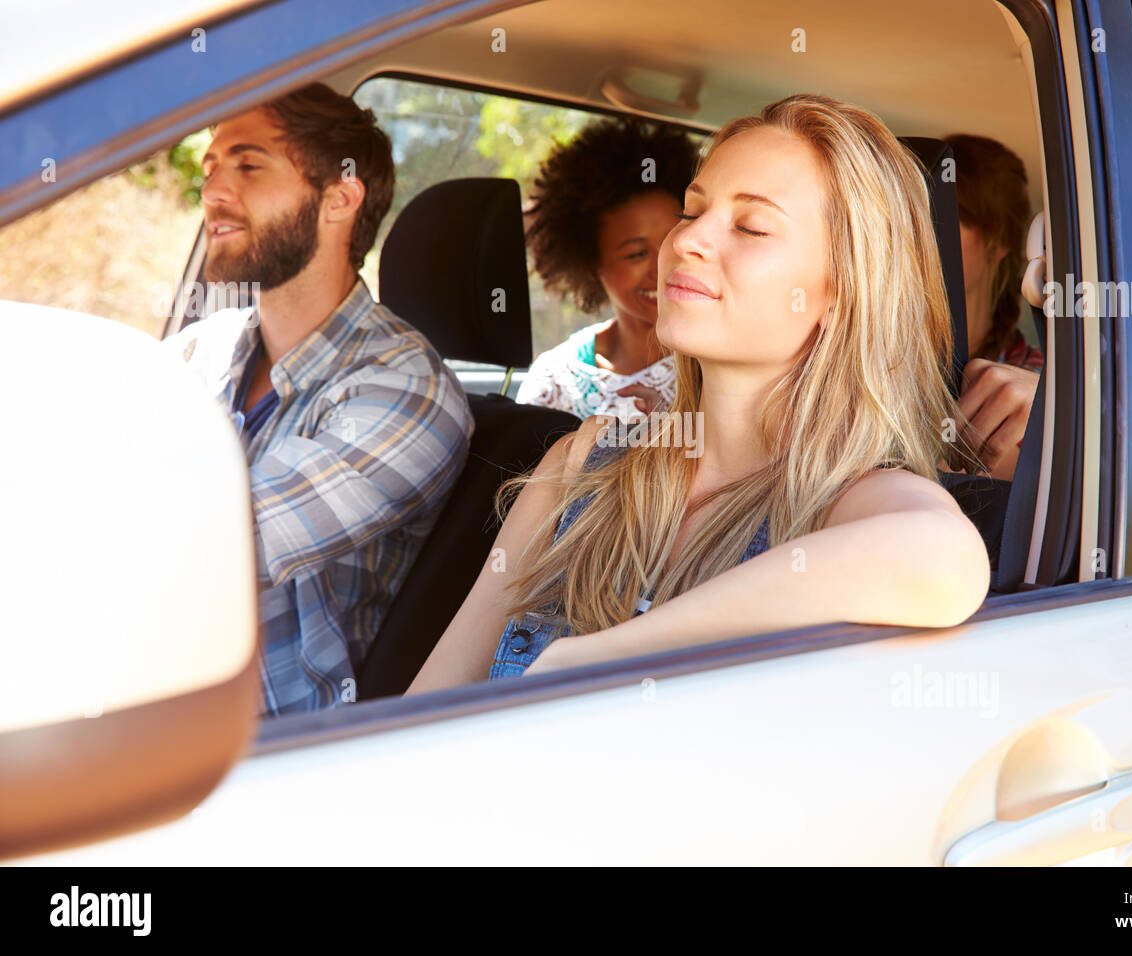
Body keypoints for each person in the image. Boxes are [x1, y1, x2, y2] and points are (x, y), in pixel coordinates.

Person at [405, 93, 990, 692]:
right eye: (692, 211)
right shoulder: (582, 462)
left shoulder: (854, 499)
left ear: (844, 292)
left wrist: (593, 663)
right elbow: (423, 713)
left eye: (751, 226)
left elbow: (946, 563)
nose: (685, 241)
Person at [163, 83, 473, 716]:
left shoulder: (408, 391)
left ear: (340, 197)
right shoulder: (201, 350)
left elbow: (207, 543)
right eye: (212, 168)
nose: (214, 191)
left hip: (268, 756)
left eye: (248, 165)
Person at [514, 117, 700, 421]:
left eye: (673, 240)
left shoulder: (726, 365)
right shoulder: (557, 381)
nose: (663, 266)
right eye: (637, 253)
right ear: (590, 263)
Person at [943, 133, 1041, 482]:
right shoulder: (858, 353)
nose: (912, 233)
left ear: (997, 240)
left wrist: (1052, 415)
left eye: (939, 216)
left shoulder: (1046, 386)